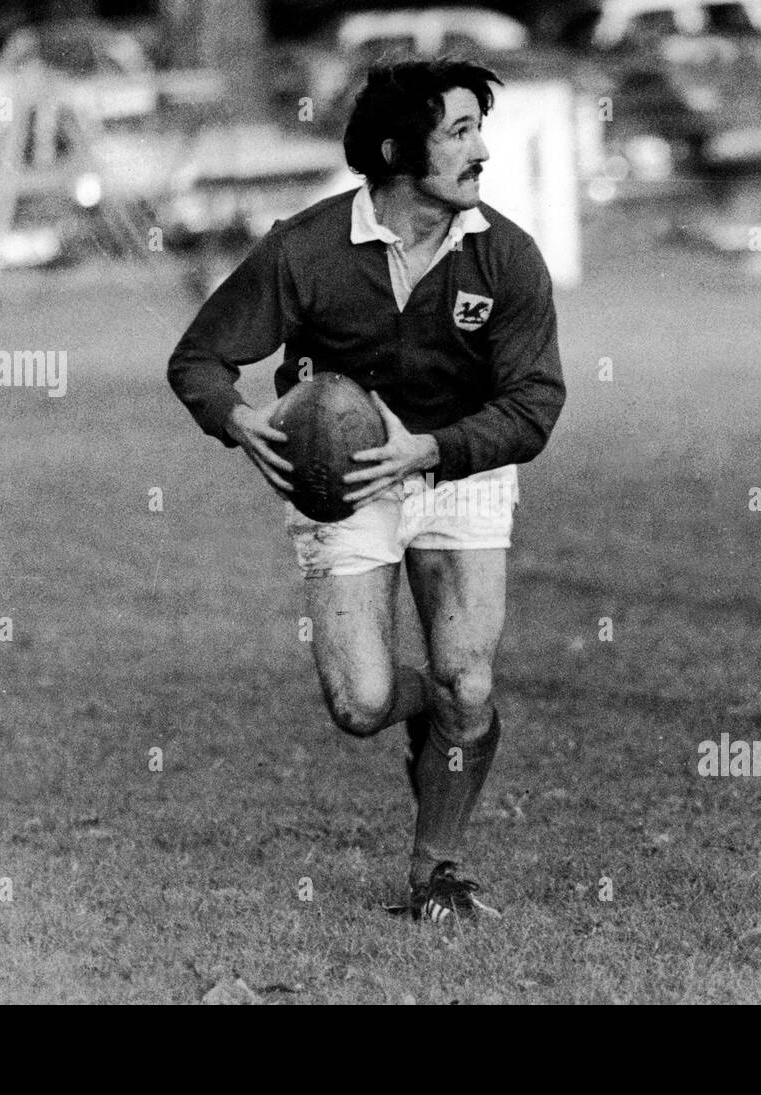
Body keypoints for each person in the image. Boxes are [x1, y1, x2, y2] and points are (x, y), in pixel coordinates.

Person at [167, 58, 566, 923]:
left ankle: (438, 869)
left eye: (478, 130)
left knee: (467, 678)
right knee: (362, 704)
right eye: (460, 132)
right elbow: (199, 359)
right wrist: (237, 419)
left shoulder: (506, 257)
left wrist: (429, 447)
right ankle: (439, 715)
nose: (482, 151)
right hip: (344, 485)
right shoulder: (305, 249)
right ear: (396, 150)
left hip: (457, 469)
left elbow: (534, 406)